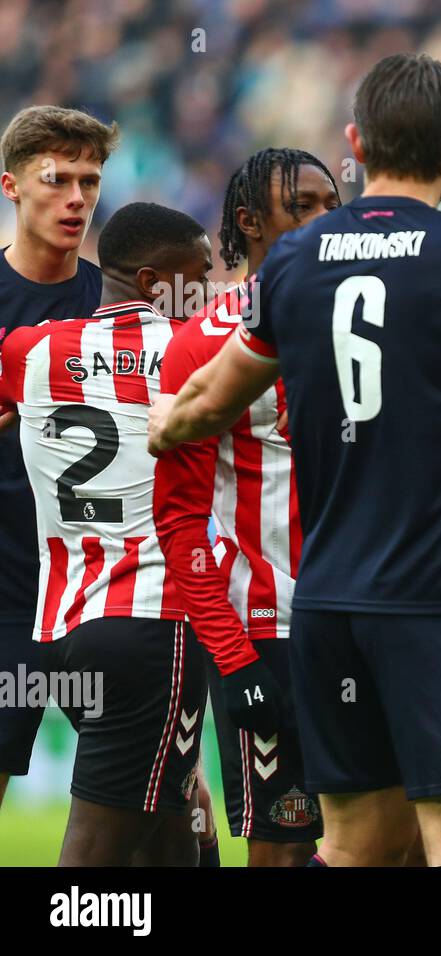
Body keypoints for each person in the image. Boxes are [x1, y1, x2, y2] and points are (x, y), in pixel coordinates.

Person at [148, 53, 441, 867]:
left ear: (357, 140)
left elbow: (205, 405)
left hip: (325, 608)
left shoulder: (292, 263)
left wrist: (163, 424)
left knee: (353, 848)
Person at [0, 201, 213, 865]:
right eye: (198, 276)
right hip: (153, 624)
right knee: (94, 855)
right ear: (156, 283)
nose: (206, 291)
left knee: (181, 825)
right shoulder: (195, 359)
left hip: (62, 629)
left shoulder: (27, 350)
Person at [153, 147, 341, 866]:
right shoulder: (201, 341)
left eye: (333, 203)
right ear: (250, 223)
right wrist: (233, 661)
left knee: (411, 837)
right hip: (271, 630)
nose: (328, 218)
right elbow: (180, 519)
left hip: (379, 621)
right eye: (305, 206)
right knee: (281, 849)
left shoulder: (381, 318)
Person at [0, 105, 116, 809]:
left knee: (174, 810)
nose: (77, 198)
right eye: (57, 179)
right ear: (11, 187)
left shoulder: (120, 303)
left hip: (105, 597)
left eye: (90, 181)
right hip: (8, 600)